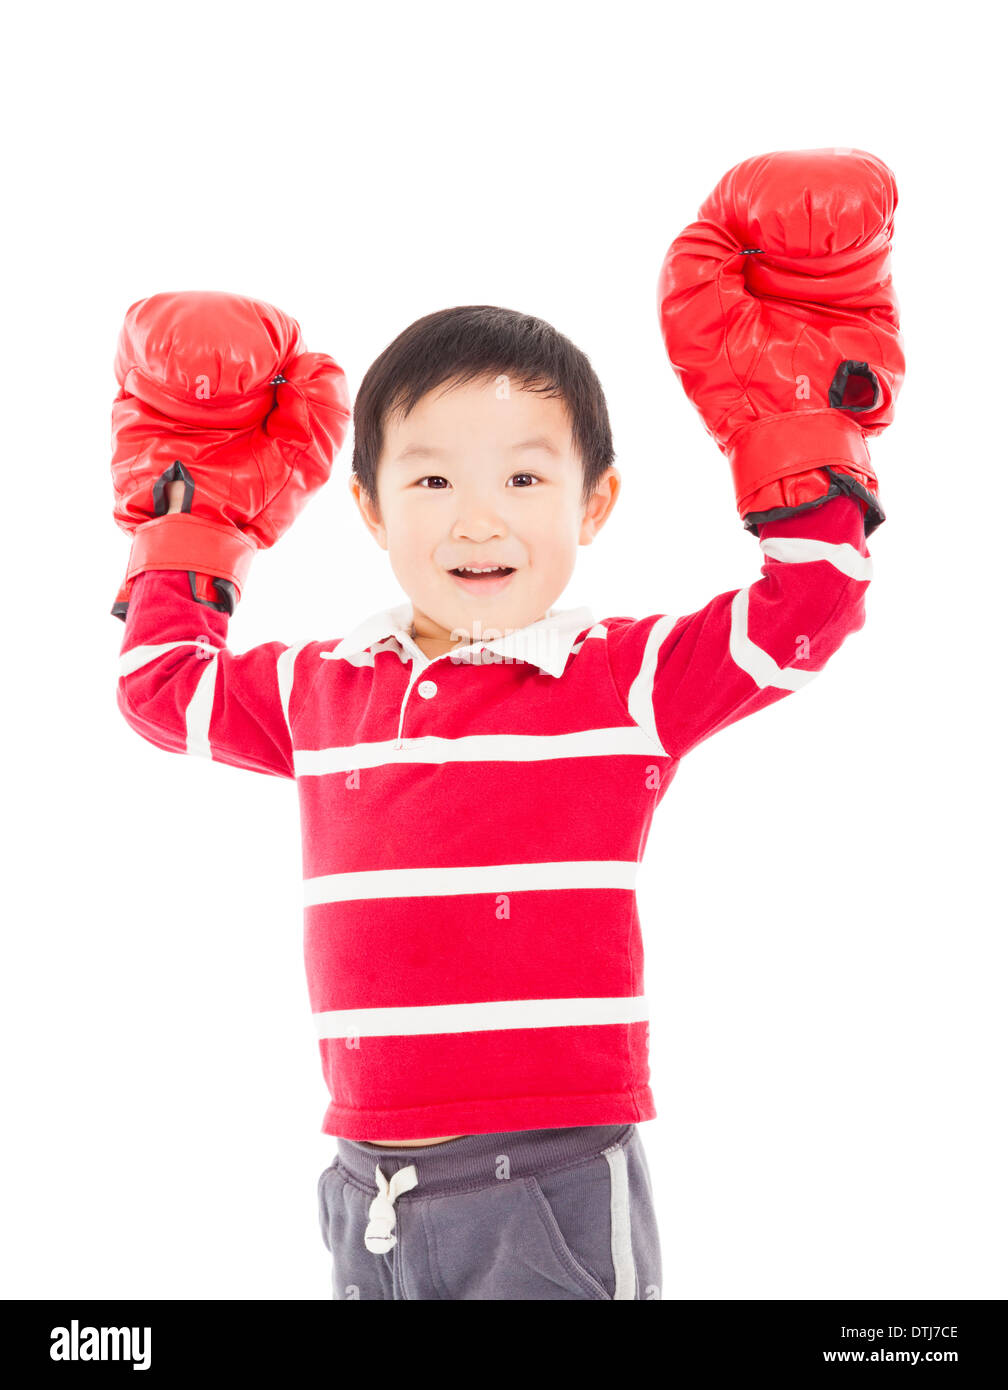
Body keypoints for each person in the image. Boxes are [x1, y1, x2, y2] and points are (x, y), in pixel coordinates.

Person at [110, 147, 904, 1300]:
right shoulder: (323, 687)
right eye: (432, 483)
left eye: (525, 482)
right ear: (372, 511)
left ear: (596, 503)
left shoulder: (625, 679)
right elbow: (160, 689)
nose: (479, 519)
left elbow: (809, 608)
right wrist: (193, 511)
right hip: (363, 1181)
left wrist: (792, 425)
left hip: (554, 1181)